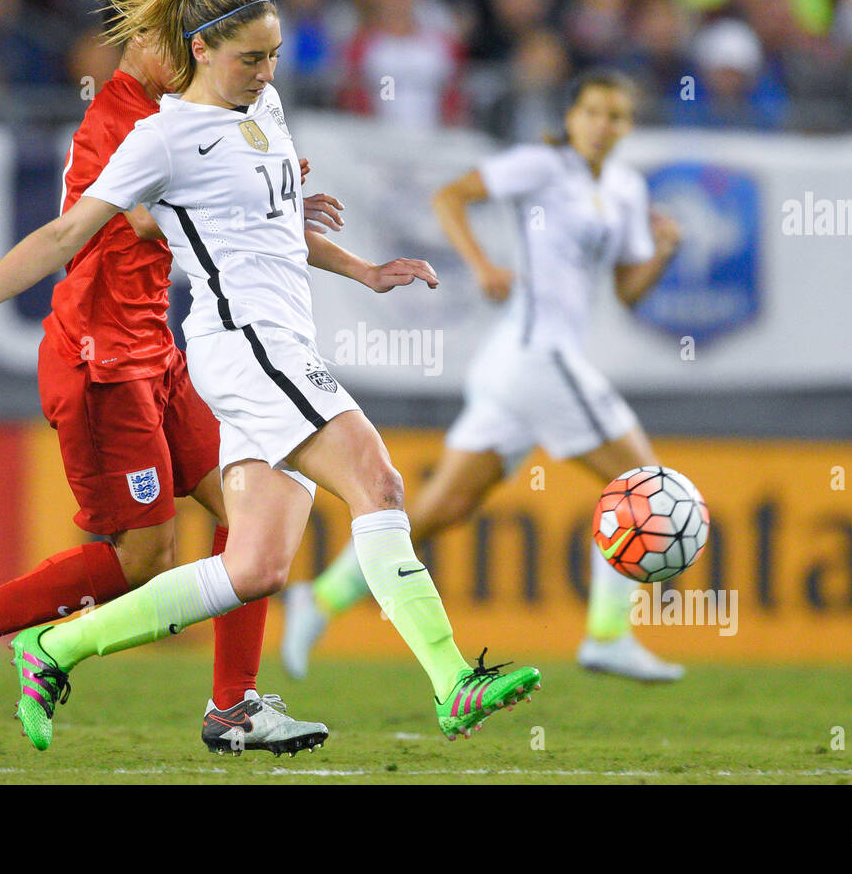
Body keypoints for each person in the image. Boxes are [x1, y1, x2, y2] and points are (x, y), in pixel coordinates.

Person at [0, 0, 541, 751]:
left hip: (249, 345)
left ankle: (57, 647)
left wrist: (364, 269)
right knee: (377, 482)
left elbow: (272, 226)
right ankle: (455, 681)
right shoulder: (162, 135)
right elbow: (69, 233)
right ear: (202, 48)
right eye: (250, 57)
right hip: (244, 346)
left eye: (274, 54)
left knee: (254, 565)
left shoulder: (265, 106)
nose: (266, 70)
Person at [0, 0, 336, 756]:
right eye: (178, 34)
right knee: (145, 556)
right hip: (101, 362)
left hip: (161, 354)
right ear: (138, 30)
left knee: (253, 508)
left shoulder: (194, 107)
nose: (192, 53)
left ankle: (234, 707)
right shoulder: (119, 121)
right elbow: (103, 227)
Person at [283, 72, 687, 682]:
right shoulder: (542, 165)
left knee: (442, 509)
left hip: (523, 367)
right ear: (572, 115)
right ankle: (608, 635)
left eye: (618, 116)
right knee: (641, 488)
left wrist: (661, 253)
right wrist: (482, 266)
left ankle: (319, 600)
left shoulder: (628, 190)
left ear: (628, 127)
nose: (605, 126)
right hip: (537, 355)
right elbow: (450, 196)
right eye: (595, 112)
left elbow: (628, 294)